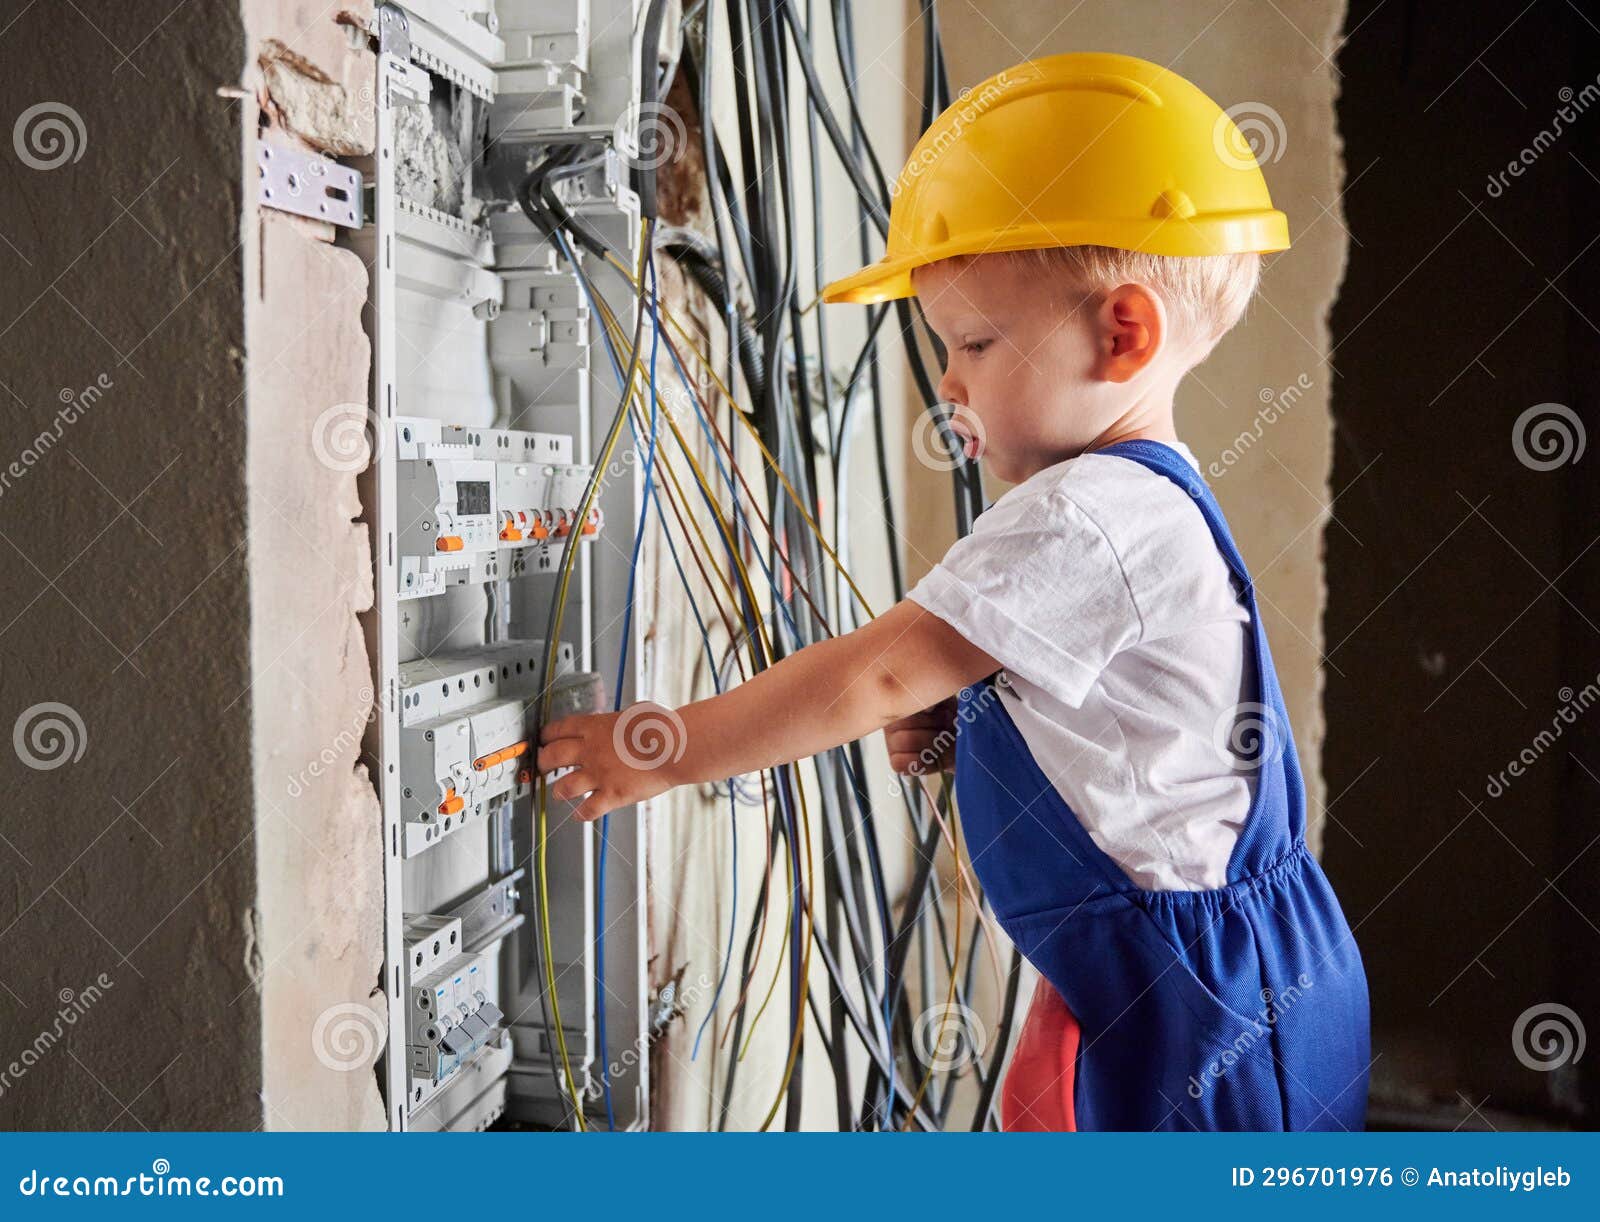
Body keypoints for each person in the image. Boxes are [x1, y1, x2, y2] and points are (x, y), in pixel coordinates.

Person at [536, 51, 1370, 1131]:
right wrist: (968, 725)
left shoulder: (1081, 512)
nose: (950, 380)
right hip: (1209, 967)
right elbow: (1119, 747)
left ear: (1123, 333)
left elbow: (874, 670)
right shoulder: (1148, 502)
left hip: (1189, 1002)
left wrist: (662, 748)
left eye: (974, 341)